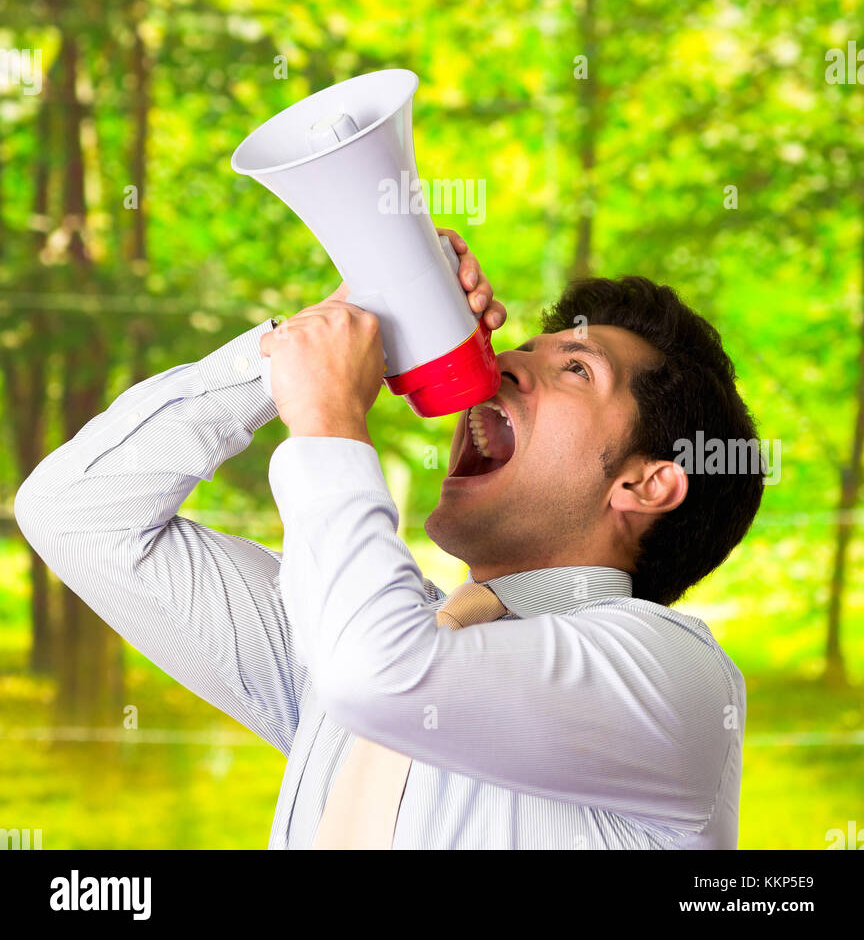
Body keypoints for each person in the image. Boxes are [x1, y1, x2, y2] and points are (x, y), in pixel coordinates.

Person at [14, 229, 763, 850]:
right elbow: (76, 514)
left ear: (645, 485)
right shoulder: (348, 636)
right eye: (525, 348)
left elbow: (382, 672)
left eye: (575, 369)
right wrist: (318, 337)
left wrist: (330, 419)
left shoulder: (676, 676)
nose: (503, 362)